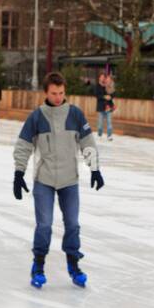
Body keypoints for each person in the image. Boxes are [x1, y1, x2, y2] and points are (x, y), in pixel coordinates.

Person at [13, 71, 104, 289]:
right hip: (43, 180)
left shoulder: (75, 114)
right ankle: (38, 265)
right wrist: (18, 173)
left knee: (72, 224)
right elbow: (23, 146)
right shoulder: (37, 117)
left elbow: (87, 142)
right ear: (46, 92)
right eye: (54, 93)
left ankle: (74, 266)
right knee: (44, 226)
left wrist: (94, 169)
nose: (58, 97)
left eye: (61, 93)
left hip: (69, 180)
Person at [94, 72, 116, 140]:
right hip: (100, 107)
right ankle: (99, 135)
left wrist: (110, 97)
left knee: (109, 122)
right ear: (99, 78)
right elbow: (97, 95)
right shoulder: (97, 86)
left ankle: (109, 135)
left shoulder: (108, 86)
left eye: (104, 77)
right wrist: (104, 97)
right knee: (100, 124)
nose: (102, 78)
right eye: (101, 77)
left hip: (108, 107)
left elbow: (113, 94)